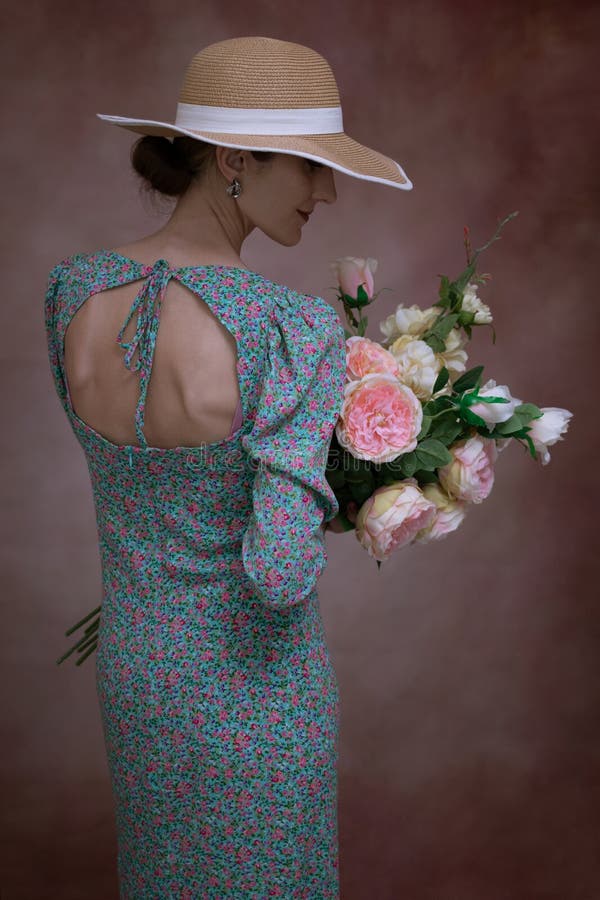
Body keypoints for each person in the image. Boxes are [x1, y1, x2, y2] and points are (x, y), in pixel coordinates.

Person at [45, 36, 412, 898]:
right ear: (234, 158)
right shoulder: (290, 329)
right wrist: (358, 493)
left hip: (139, 682)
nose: (327, 190)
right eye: (311, 166)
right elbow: (278, 573)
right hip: (254, 698)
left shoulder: (70, 292)